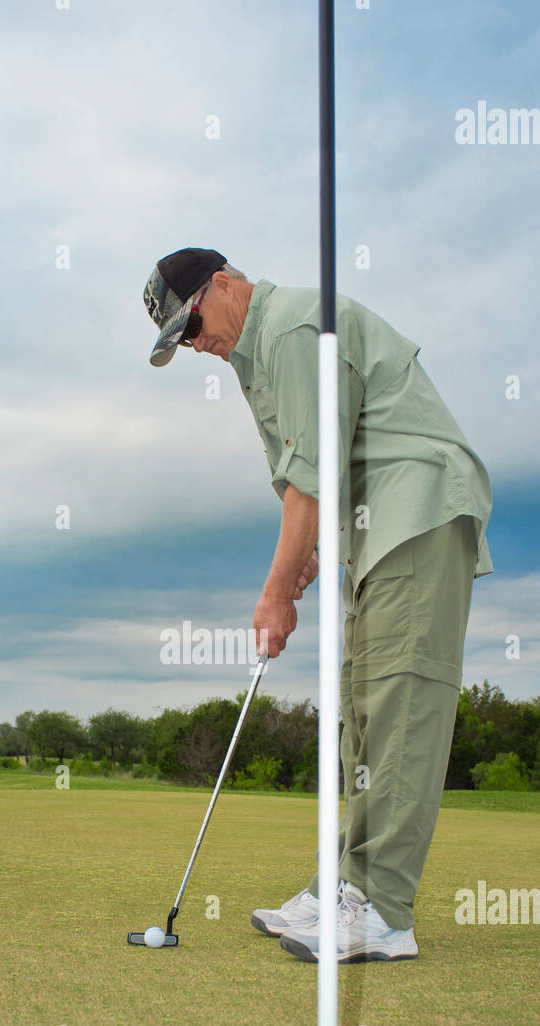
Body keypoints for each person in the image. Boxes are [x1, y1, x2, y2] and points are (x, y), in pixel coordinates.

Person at [143, 247, 492, 964]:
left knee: (399, 700)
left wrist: (275, 594)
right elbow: (303, 478)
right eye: (183, 338)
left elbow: (310, 476)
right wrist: (303, 558)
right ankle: (341, 883)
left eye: (194, 322)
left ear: (223, 285)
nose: (197, 342)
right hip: (373, 528)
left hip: (418, 507)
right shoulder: (252, 357)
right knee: (361, 707)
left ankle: (382, 910)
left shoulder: (295, 328)